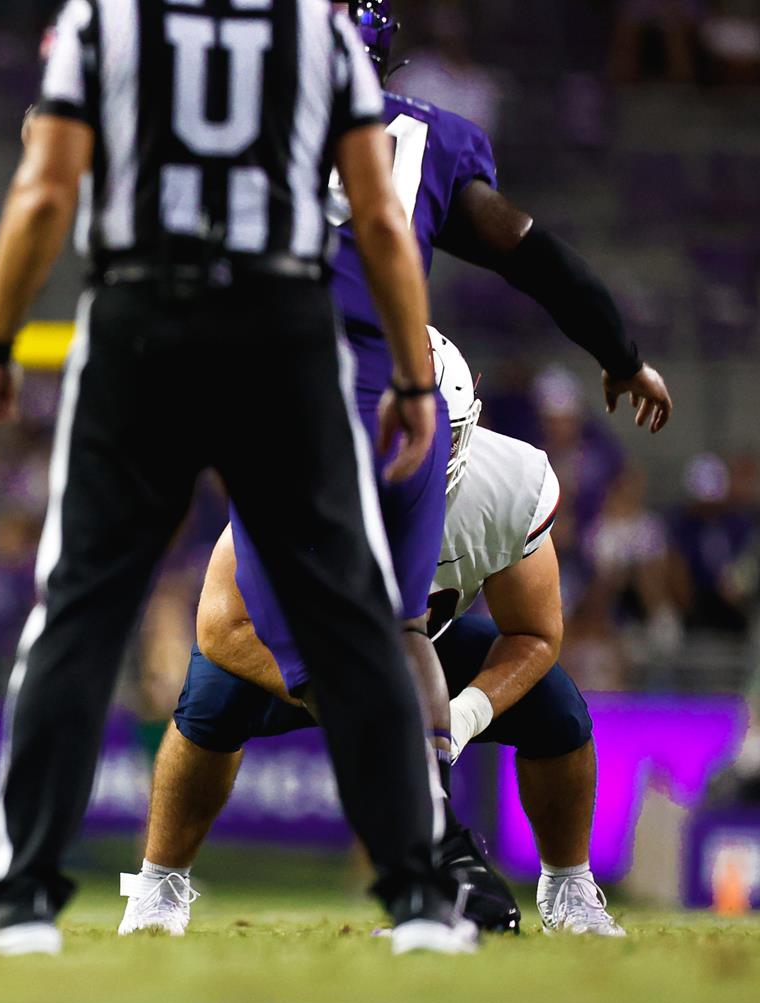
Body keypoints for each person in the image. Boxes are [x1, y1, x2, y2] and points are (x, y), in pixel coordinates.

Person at [0, 0, 464, 957]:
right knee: (350, 612)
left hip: (144, 316)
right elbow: (380, 214)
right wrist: (412, 371)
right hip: (284, 326)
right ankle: (421, 898)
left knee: (84, 610)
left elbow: (46, 189)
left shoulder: (104, 23)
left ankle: (20, 898)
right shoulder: (317, 32)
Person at [198, 0, 675, 940]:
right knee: (399, 629)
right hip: (403, 417)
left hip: (285, 417)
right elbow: (537, 259)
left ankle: (441, 860)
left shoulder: (221, 120)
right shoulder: (425, 138)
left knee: (325, 654)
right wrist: (619, 351)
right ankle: (443, 860)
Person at [136, 328, 624, 939]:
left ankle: (570, 888)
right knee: (210, 703)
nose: (407, 457)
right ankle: (159, 885)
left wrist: (466, 714)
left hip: (423, 646)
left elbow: (533, 634)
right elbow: (221, 626)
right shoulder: (292, 472)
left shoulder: (510, 483)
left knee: (557, 711)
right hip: (295, 642)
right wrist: (352, 704)